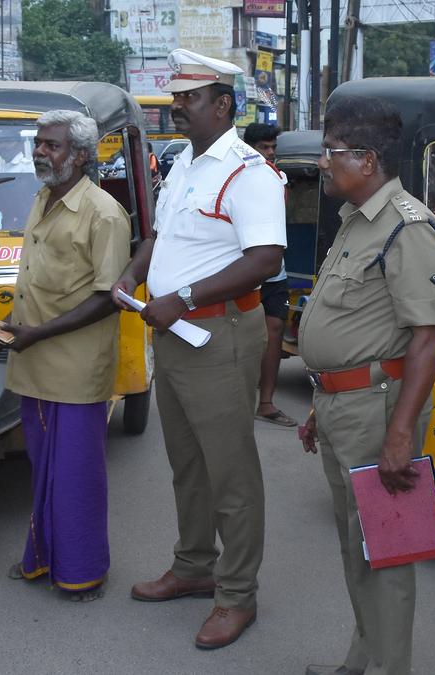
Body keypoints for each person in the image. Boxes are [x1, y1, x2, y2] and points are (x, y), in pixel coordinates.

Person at [112, 48, 286, 650]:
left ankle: (237, 594)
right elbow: (159, 235)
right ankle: (192, 567)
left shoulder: (250, 173)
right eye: (175, 99)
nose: (177, 108)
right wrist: (134, 274)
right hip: (175, 333)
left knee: (230, 471)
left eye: (188, 99)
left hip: (219, 334)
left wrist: (181, 296)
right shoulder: (184, 162)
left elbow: (266, 260)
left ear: (223, 105)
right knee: (187, 464)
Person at [297, 98, 435, 675]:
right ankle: (362, 661)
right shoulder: (358, 219)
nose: (322, 162)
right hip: (343, 403)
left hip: (379, 412)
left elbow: (427, 339)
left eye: (331, 152)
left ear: (367, 159)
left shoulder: (408, 228)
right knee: (357, 548)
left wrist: (399, 435)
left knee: (387, 552)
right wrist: (323, 396)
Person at [0, 109, 130, 601]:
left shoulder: (103, 214)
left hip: (75, 370)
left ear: (81, 156)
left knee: (75, 476)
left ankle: (81, 573)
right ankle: (42, 558)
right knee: (44, 470)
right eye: (38, 143)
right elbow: (31, 288)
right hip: (33, 363)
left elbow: (108, 299)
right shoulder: (42, 198)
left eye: (52, 145)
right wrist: (1, 335)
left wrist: (35, 335)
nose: (40, 152)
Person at [243, 122, 296, 427]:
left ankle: (266, 403)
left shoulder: (278, 177)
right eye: (264, 148)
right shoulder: (232, 177)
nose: (270, 153)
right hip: (239, 273)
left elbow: (278, 217)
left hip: (274, 273)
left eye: (273, 148)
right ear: (249, 148)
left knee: (274, 332)